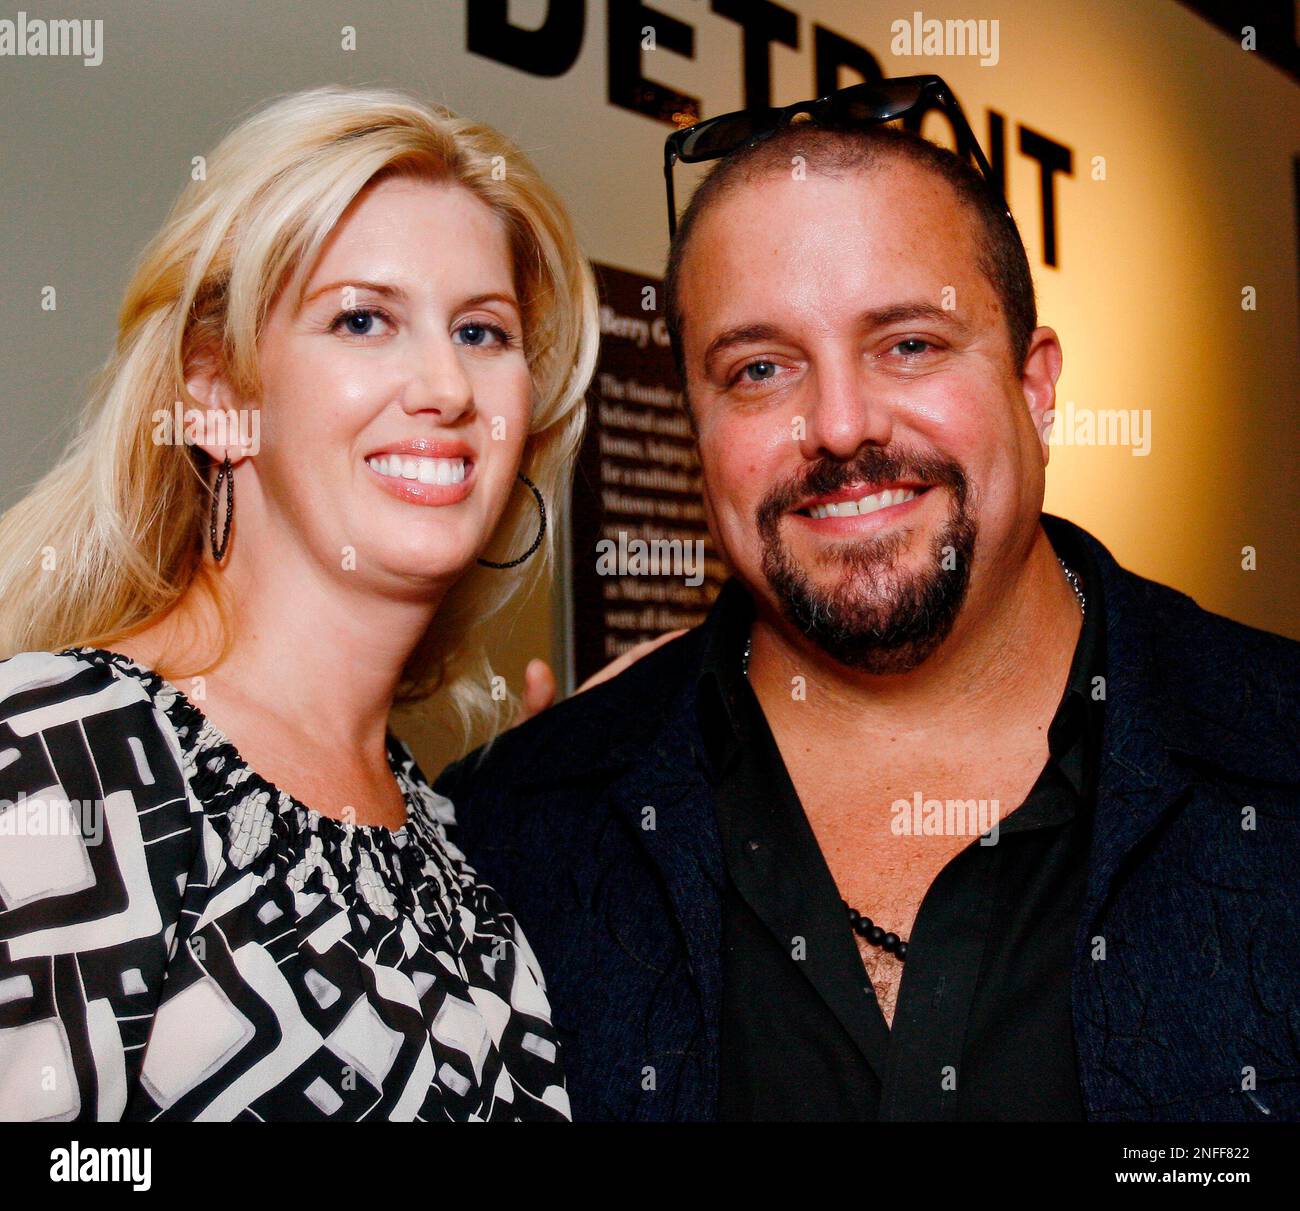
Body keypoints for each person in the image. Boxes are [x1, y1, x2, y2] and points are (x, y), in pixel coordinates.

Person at [436, 102, 1300, 1121]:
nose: (841, 426)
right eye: (760, 369)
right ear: (696, 430)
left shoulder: (1274, 752)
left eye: (909, 344)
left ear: (1035, 387)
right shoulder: (512, 838)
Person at [0, 84, 598, 1121]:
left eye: (481, 330)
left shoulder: (441, 833)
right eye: (362, 319)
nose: (446, 386)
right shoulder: (64, 758)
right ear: (217, 394)